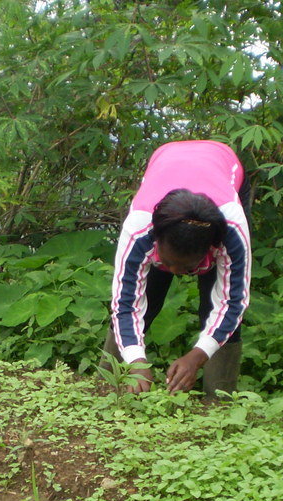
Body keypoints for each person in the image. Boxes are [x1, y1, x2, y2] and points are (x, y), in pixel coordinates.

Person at [105, 140, 251, 393]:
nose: (174, 272)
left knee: (211, 304)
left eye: (186, 267)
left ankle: (219, 399)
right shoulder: (139, 227)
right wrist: (136, 361)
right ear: (155, 240)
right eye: (167, 262)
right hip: (165, 161)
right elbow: (125, 303)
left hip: (224, 166)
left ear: (210, 250)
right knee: (150, 295)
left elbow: (233, 301)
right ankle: (109, 385)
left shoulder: (231, 231)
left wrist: (196, 357)